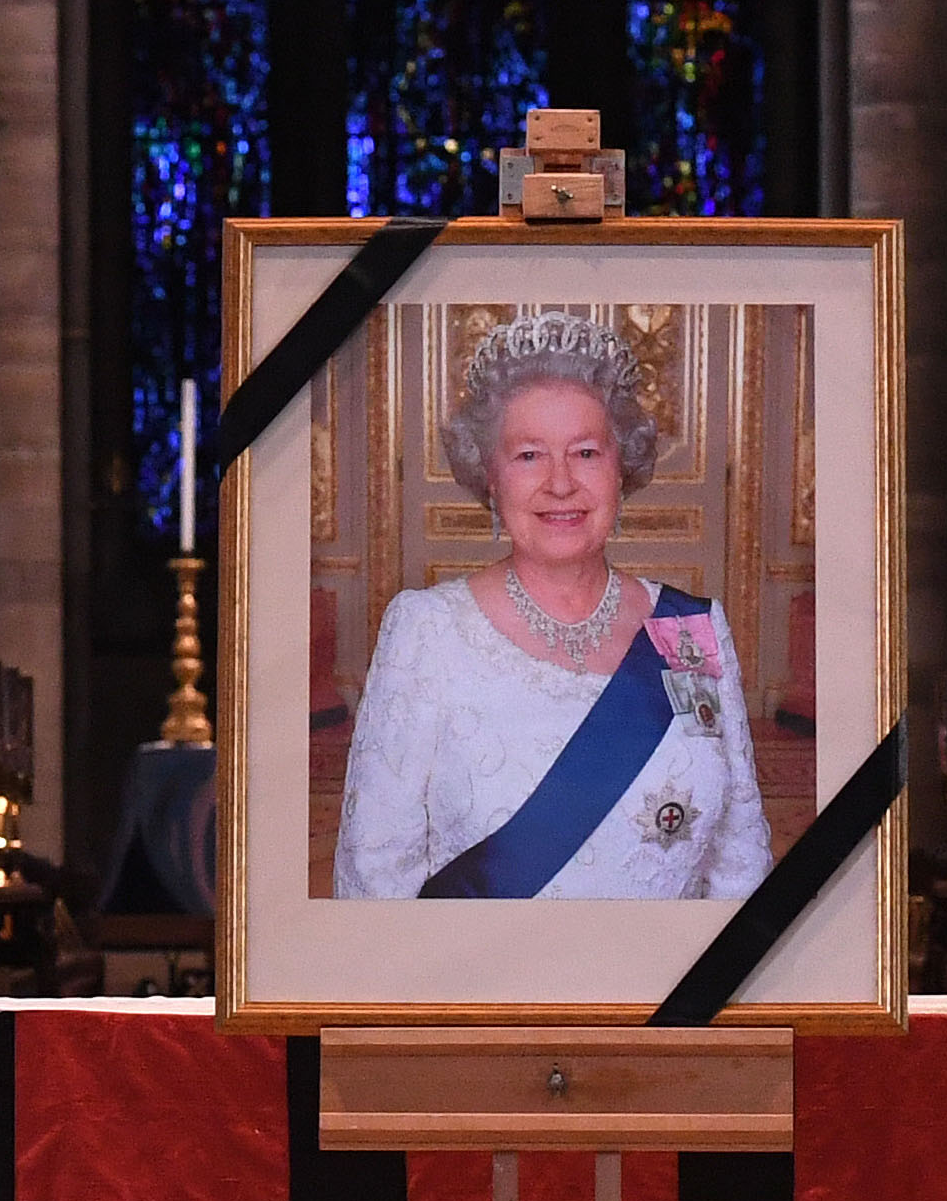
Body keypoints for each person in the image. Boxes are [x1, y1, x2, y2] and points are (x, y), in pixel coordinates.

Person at [330, 310, 775, 901]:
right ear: (490, 477)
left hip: (670, 989)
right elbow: (375, 878)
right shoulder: (425, 631)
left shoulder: (687, 632)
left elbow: (739, 861)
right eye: (529, 455)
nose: (561, 483)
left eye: (587, 453)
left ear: (623, 470)